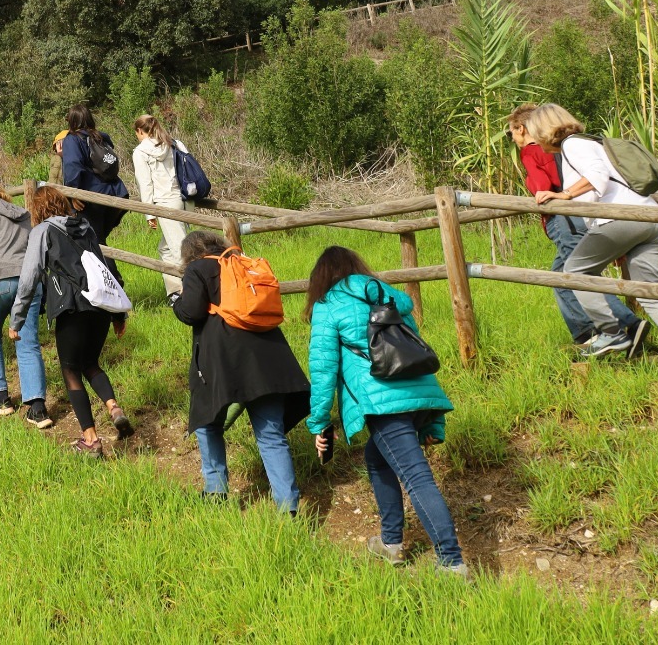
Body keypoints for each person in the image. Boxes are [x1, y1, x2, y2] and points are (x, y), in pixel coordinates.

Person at [305, 246, 468, 577]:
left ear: (320, 277)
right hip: (418, 395)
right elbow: (414, 352)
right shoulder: (389, 297)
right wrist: (430, 422)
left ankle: (451, 562)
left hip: (382, 403)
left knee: (416, 477)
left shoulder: (328, 305)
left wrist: (319, 423)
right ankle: (391, 543)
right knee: (376, 459)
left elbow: (323, 371)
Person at [529, 103, 658, 379]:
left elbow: (596, 177)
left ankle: (611, 332)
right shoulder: (591, 143)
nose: (534, 141)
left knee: (574, 271)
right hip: (649, 218)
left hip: (622, 218)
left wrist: (564, 195)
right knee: (650, 293)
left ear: (543, 130)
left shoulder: (573, 145)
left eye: (534, 134)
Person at [171, 230, 310, 508]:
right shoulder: (243, 263)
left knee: (207, 423)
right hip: (269, 359)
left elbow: (191, 312)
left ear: (189, 254)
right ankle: (288, 506)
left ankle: (215, 492)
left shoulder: (197, 269)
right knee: (270, 435)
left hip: (225, 362)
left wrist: (176, 302)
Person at [10, 187, 132, 456]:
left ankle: (91, 439)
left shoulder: (42, 231)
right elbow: (106, 270)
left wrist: (16, 319)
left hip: (71, 307)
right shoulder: (86, 227)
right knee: (90, 363)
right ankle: (113, 407)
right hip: (100, 306)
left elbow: (29, 279)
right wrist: (118, 314)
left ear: (37, 209)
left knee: (70, 370)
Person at [508, 105, 642, 348]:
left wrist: (538, 191)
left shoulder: (531, 151)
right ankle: (588, 333)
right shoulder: (561, 147)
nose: (512, 138)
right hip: (584, 214)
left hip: (564, 220)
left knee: (576, 275)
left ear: (521, 129)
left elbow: (541, 186)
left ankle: (626, 324)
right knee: (562, 276)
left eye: (511, 133)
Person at [0, 178, 48, 423]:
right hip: (29, 282)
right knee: (28, 342)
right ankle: (37, 408)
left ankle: (1, 396)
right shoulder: (24, 214)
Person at [133, 114, 189, 296]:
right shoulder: (174, 143)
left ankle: (193, 293)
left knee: (180, 250)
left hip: (164, 202)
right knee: (166, 248)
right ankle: (175, 291)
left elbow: (145, 184)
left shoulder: (140, 152)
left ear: (140, 131)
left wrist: (149, 213)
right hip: (183, 199)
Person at [60, 104, 129, 247]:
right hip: (116, 193)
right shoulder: (101, 137)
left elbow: (73, 165)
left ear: (71, 121)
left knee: (92, 244)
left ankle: (107, 263)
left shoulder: (72, 139)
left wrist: (73, 194)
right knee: (98, 241)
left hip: (91, 197)